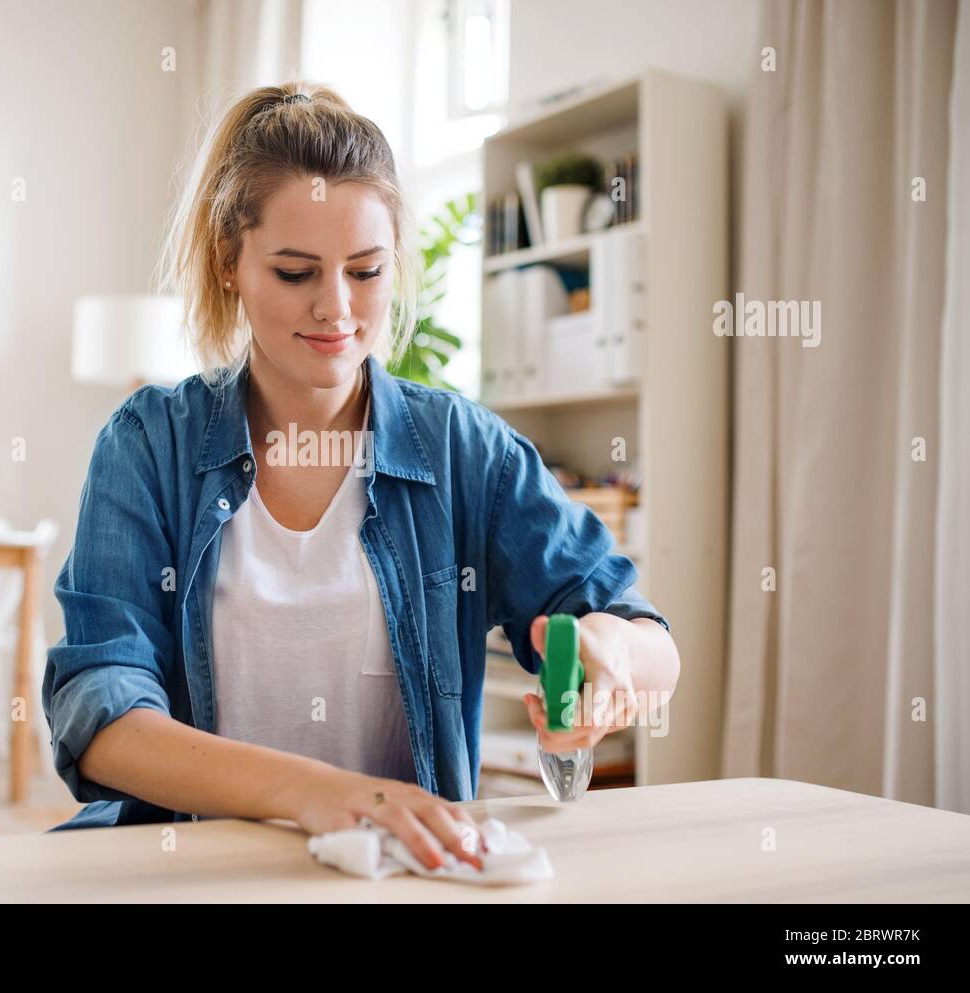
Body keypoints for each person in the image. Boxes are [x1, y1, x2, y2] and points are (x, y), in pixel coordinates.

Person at [42, 82, 679, 872]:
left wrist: (615, 653)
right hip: (191, 873)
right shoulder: (148, 447)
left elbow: (651, 640)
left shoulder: (461, 450)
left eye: (367, 270)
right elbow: (98, 710)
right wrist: (316, 792)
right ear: (229, 261)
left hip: (399, 878)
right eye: (295, 271)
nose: (336, 308)